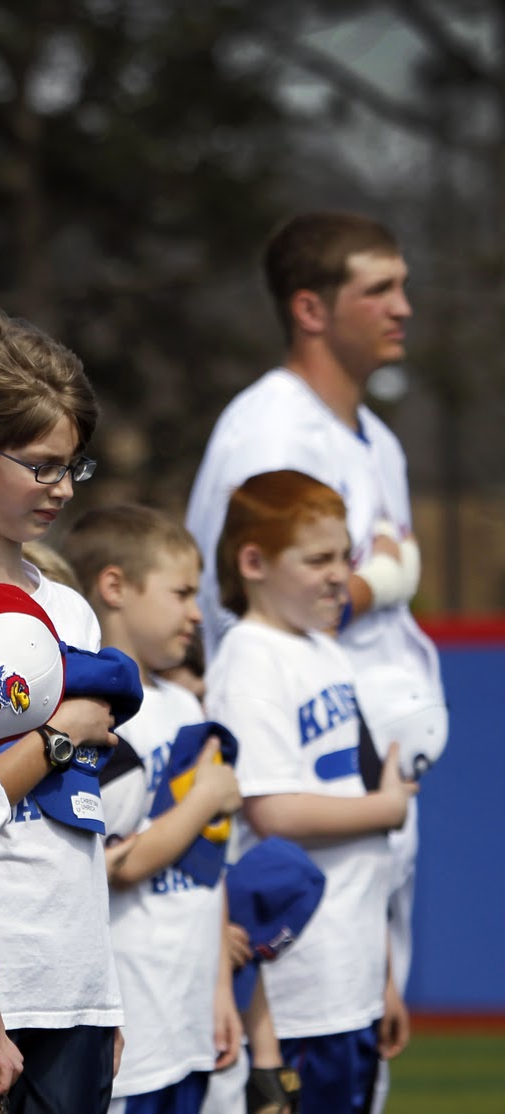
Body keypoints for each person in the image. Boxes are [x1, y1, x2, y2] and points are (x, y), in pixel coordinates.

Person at [183, 214, 443, 1109]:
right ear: (310, 307)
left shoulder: (377, 436)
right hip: (302, 800)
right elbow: (232, 602)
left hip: (361, 806)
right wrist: (380, 580)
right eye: (378, 288)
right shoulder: (267, 430)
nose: (403, 307)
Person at [0, 304, 124, 1114]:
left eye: (73, 468)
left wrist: (102, 995)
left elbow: (81, 833)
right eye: (39, 465)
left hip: (76, 991)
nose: (59, 489)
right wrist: (53, 739)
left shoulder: (72, 614)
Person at [204, 470, 413, 1114]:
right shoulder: (250, 654)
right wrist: (385, 808)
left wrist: (383, 978)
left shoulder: (326, 653)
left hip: (350, 980)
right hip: (293, 994)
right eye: (317, 559)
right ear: (254, 561)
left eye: (344, 558)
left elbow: (364, 853)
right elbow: (273, 810)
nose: (337, 575)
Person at [62, 505, 245, 1113]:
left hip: (191, 1016)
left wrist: (221, 987)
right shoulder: (93, 716)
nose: (198, 612)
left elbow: (209, 870)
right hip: (130, 1025)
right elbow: (109, 866)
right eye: (182, 593)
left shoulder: (188, 709)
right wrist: (206, 800)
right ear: (114, 587)